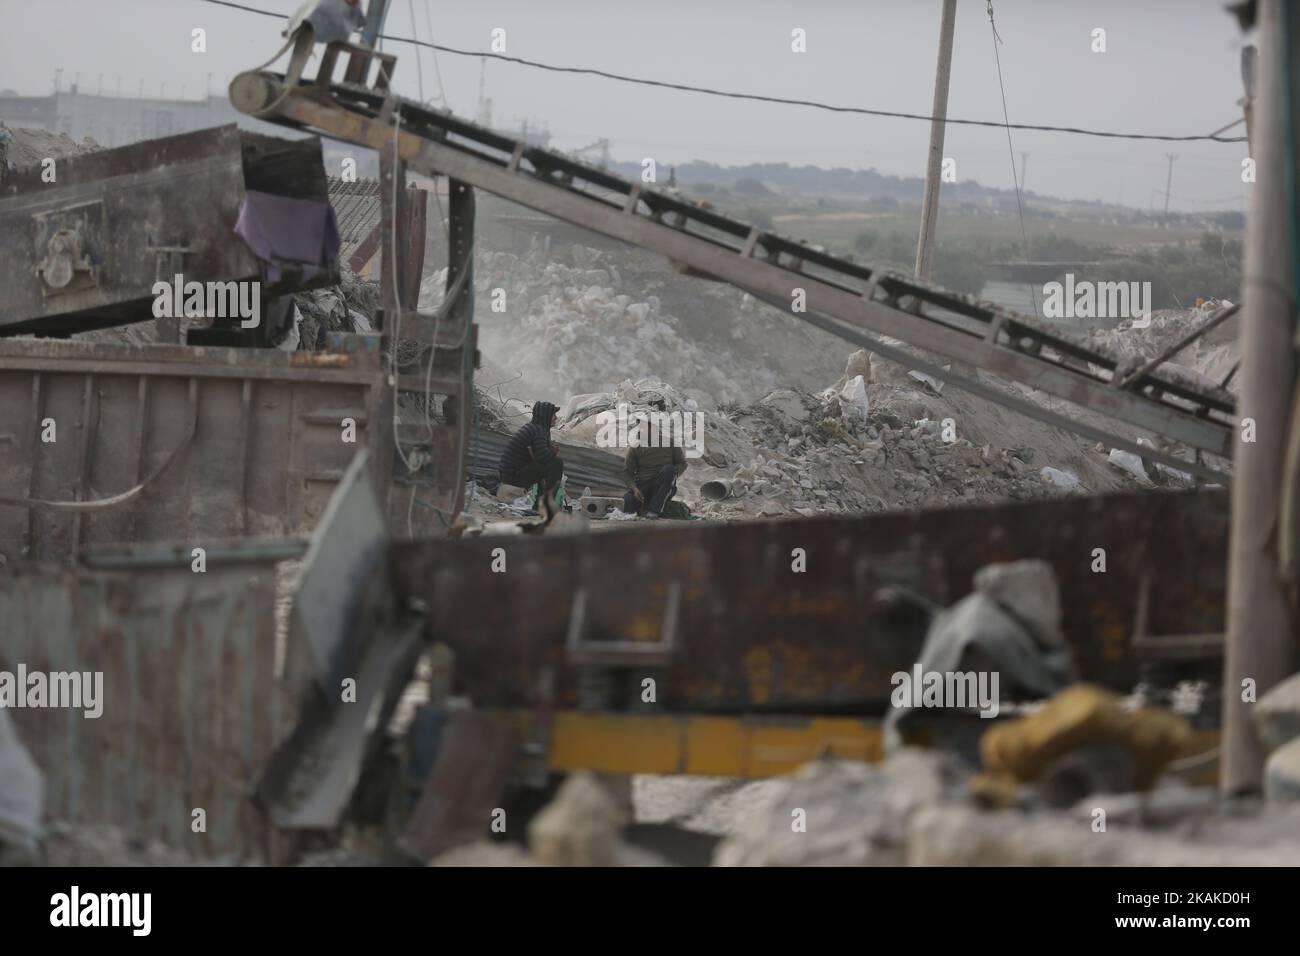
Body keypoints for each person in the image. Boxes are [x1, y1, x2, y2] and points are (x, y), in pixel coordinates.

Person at [498, 400, 563, 510]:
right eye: (553, 415)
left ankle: (541, 503)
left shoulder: (536, 427)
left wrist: (550, 450)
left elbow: (540, 456)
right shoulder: (538, 430)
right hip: (512, 476)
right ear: (546, 416)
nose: (556, 418)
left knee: (551, 465)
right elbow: (544, 458)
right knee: (556, 464)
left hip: (510, 474)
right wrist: (552, 451)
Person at [622, 417, 688, 519]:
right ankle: (645, 507)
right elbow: (627, 473)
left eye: (645, 427)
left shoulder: (670, 443)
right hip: (643, 486)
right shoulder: (635, 447)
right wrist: (634, 489)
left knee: (669, 469)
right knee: (627, 502)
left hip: (663, 485)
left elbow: (682, 463)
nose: (642, 430)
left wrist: (673, 475)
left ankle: (655, 509)